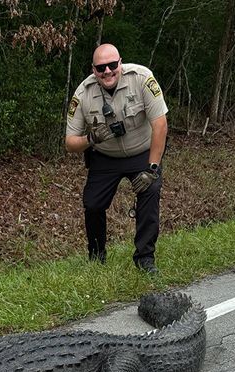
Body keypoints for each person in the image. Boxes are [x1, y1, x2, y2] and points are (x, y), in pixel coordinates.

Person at [64, 43, 169, 273]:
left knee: (149, 191)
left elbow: (160, 125)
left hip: (142, 151)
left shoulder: (142, 79)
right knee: (92, 204)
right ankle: (96, 257)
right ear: (94, 70)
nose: (108, 71)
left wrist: (152, 168)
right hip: (105, 156)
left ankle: (145, 259)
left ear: (120, 63)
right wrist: (90, 139)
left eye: (112, 65)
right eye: (101, 67)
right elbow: (70, 142)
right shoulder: (83, 93)